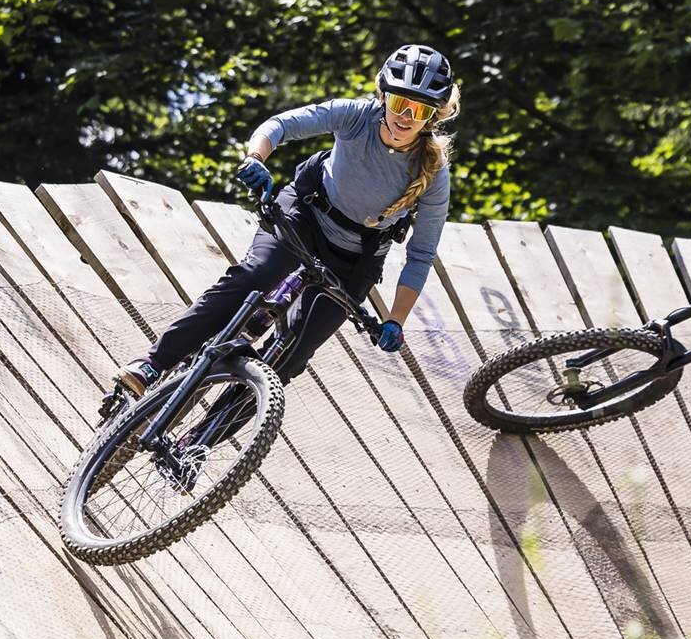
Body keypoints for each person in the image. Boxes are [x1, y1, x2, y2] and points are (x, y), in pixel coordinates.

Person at [114, 43, 459, 395]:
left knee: (293, 355)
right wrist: (255, 158)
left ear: (432, 116)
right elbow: (281, 125)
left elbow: (421, 255)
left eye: (419, 111)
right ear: (383, 95)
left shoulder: (434, 173)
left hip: (356, 258)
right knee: (256, 275)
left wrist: (397, 320)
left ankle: (200, 442)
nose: (406, 117)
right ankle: (152, 364)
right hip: (306, 214)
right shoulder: (355, 116)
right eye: (401, 103)